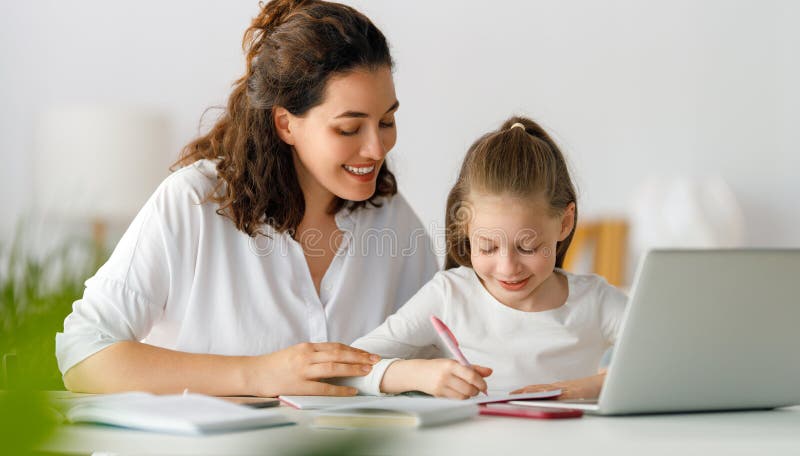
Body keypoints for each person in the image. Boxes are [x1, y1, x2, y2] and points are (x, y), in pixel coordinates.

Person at [55, 0, 438, 397]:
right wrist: (257, 375)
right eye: (349, 129)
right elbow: (86, 355)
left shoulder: (389, 216)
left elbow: (439, 349)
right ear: (286, 124)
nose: (377, 148)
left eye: (387, 121)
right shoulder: (194, 203)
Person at [337, 116, 627, 399]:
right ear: (465, 227)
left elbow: (669, 360)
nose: (508, 268)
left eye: (527, 248)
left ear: (564, 223)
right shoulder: (449, 296)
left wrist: (594, 386)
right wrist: (419, 375)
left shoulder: (595, 301)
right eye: (487, 248)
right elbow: (344, 370)